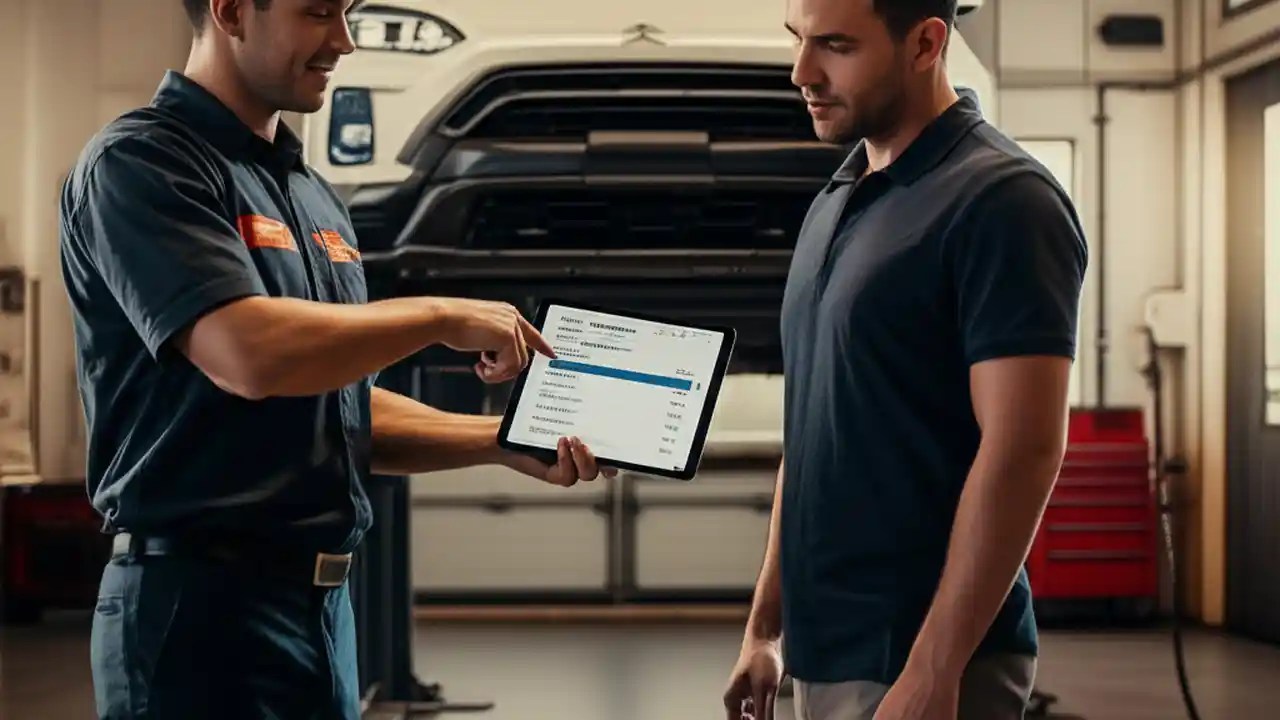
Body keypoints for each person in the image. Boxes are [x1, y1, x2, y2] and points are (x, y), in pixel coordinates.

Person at [58, 1, 612, 717]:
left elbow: (340, 410)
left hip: (320, 615)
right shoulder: (143, 163)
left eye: (347, 12)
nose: (344, 41)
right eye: (318, 12)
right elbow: (248, 354)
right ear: (230, 11)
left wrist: (503, 442)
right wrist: (440, 316)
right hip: (196, 614)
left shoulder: (312, 196)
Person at [723, 0, 1087, 719]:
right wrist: (767, 627)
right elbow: (815, 430)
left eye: (835, 46)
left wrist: (933, 670)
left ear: (925, 44)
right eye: (797, 41)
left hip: (925, 660)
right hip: (829, 648)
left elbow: (1024, 449)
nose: (802, 72)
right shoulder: (837, 198)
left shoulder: (1005, 202)